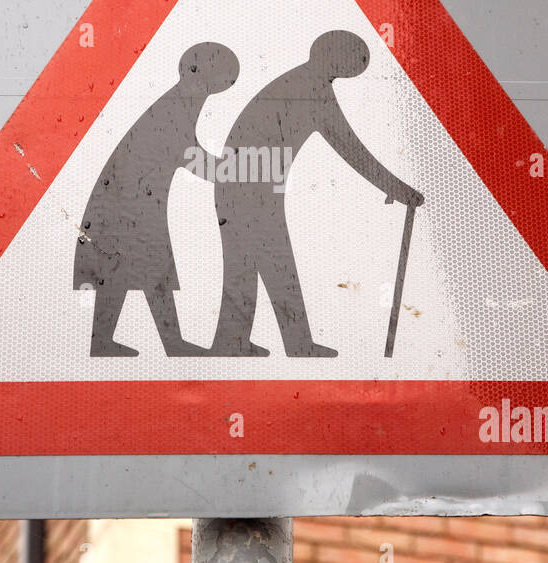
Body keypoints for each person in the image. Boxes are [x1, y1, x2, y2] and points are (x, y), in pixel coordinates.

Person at [208, 29, 423, 358]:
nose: (355, 69)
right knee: (274, 264)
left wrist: (397, 189)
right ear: (338, 58)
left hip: (241, 187)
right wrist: (399, 190)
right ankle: (293, 344)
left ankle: (233, 341)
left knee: (249, 265)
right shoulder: (312, 90)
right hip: (251, 191)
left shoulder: (300, 82)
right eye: (355, 61)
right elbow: (351, 149)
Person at [75, 41, 240, 356]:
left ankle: (165, 342)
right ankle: (112, 342)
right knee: (126, 270)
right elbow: (188, 152)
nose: (213, 89)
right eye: (218, 80)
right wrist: (234, 170)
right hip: (127, 203)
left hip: (137, 201)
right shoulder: (175, 106)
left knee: (146, 270)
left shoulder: (181, 102)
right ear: (192, 70)